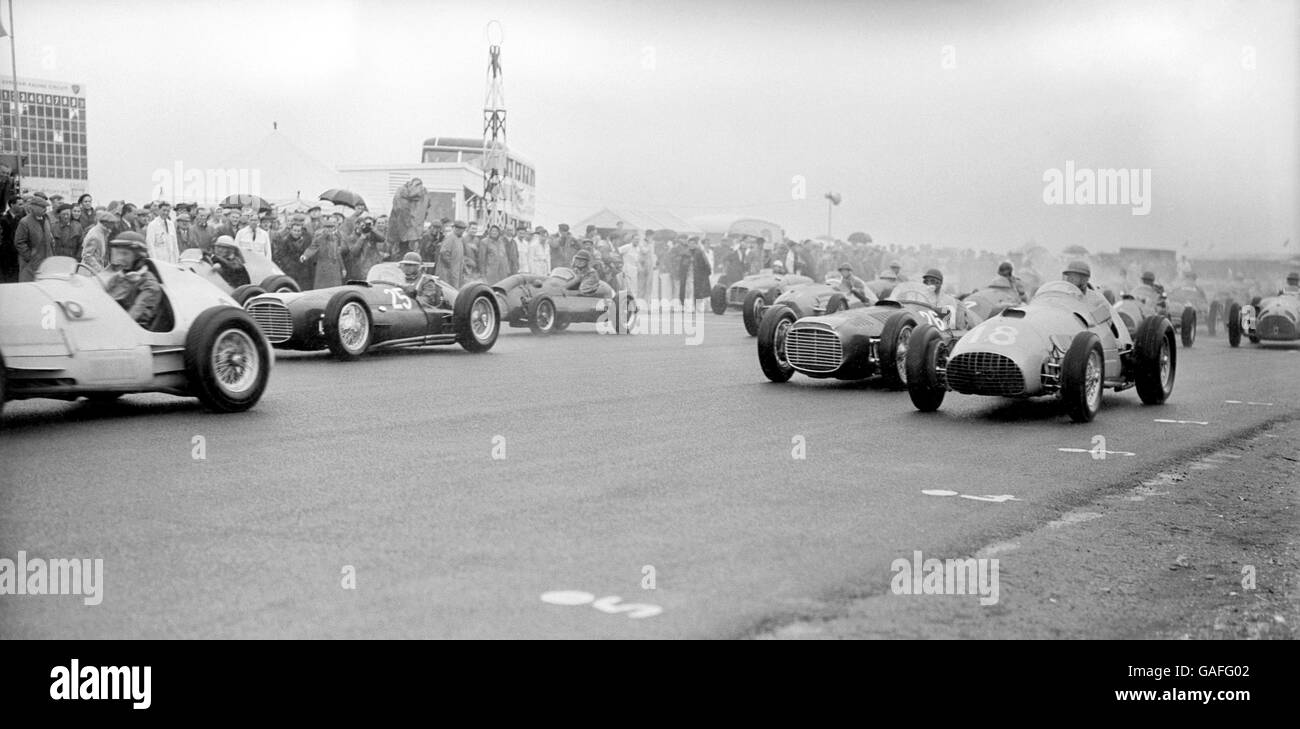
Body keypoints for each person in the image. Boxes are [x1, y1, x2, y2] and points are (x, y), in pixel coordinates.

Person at [101, 232, 163, 329]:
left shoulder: (149, 285)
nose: (120, 258)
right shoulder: (117, 278)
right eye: (118, 253)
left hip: (131, 335)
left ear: (139, 256)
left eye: (125, 254)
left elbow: (133, 317)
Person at [14, 196, 55, 282]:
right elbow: (19, 242)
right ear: (34, 207)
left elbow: (50, 239)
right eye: (42, 207)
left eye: (45, 207)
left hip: (45, 262)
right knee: (29, 287)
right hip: (30, 264)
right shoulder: (25, 222)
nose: (45, 209)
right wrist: (29, 256)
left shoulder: (46, 220)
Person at [301, 212, 346, 289]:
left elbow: (338, 253)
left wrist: (343, 268)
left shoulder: (337, 236)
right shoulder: (319, 235)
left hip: (335, 269)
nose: (330, 228)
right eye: (328, 226)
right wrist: (305, 255)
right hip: (323, 268)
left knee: (335, 291)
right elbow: (313, 247)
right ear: (324, 226)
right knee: (322, 291)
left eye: (333, 224)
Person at [273, 214, 315, 288]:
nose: (297, 232)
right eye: (295, 230)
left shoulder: (307, 238)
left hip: (304, 272)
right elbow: (282, 255)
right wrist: (289, 265)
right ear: (291, 230)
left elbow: (310, 253)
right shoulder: (285, 240)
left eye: (299, 231)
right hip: (291, 271)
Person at [436, 221, 467, 288]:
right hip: (448, 273)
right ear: (456, 229)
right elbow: (443, 253)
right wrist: (451, 266)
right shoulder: (450, 238)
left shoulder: (459, 239)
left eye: (463, 230)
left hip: (456, 272)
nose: (462, 232)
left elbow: (460, 256)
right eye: (461, 230)